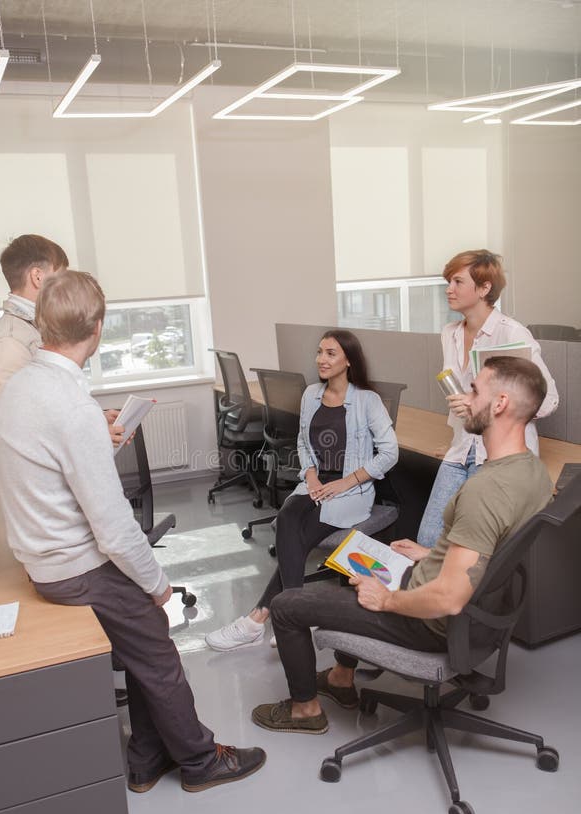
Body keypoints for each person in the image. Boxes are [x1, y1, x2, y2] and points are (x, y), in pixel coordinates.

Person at [0, 269, 266, 792]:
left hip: (43, 557)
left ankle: (146, 759)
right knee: (158, 647)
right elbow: (114, 528)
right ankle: (200, 761)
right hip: (78, 567)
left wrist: (98, 435)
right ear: (96, 329)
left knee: (143, 643)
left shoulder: (24, 384)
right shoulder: (71, 406)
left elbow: (56, 463)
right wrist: (156, 584)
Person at [250, 356, 553, 735]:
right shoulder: (533, 472)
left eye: (474, 390)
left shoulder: (484, 490)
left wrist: (387, 600)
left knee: (285, 605)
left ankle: (304, 710)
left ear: (500, 403)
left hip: (430, 618)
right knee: (354, 562)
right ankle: (343, 678)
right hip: (480, 613)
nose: (464, 397)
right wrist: (435, 554)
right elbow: (496, 551)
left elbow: (448, 598)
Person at [206, 329, 399, 652]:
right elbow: (302, 442)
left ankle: (259, 617)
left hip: (351, 491)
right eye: (320, 352)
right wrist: (309, 475)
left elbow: (390, 452)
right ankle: (292, 615)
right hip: (315, 484)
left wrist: (347, 481)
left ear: (349, 360)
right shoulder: (311, 394)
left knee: (299, 530)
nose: (321, 359)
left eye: (331, 354)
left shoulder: (367, 400)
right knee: (287, 516)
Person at [416, 249, 558, 549]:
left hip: (500, 456)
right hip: (461, 449)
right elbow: (462, 394)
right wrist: (461, 432)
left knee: (473, 547)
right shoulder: (450, 333)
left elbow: (548, 400)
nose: (448, 289)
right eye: (448, 281)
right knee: (428, 538)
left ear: (484, 288)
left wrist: (484, 407)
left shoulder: (511, 333)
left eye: (457, 281)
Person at [0, 234, 125, 447]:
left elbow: (52, 407)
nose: (65, 285)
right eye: (60, 276)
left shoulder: (39, 326)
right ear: (37, 277)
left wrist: (94, 421)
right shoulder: (8, 342)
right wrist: (92, 433)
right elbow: (20, 428)